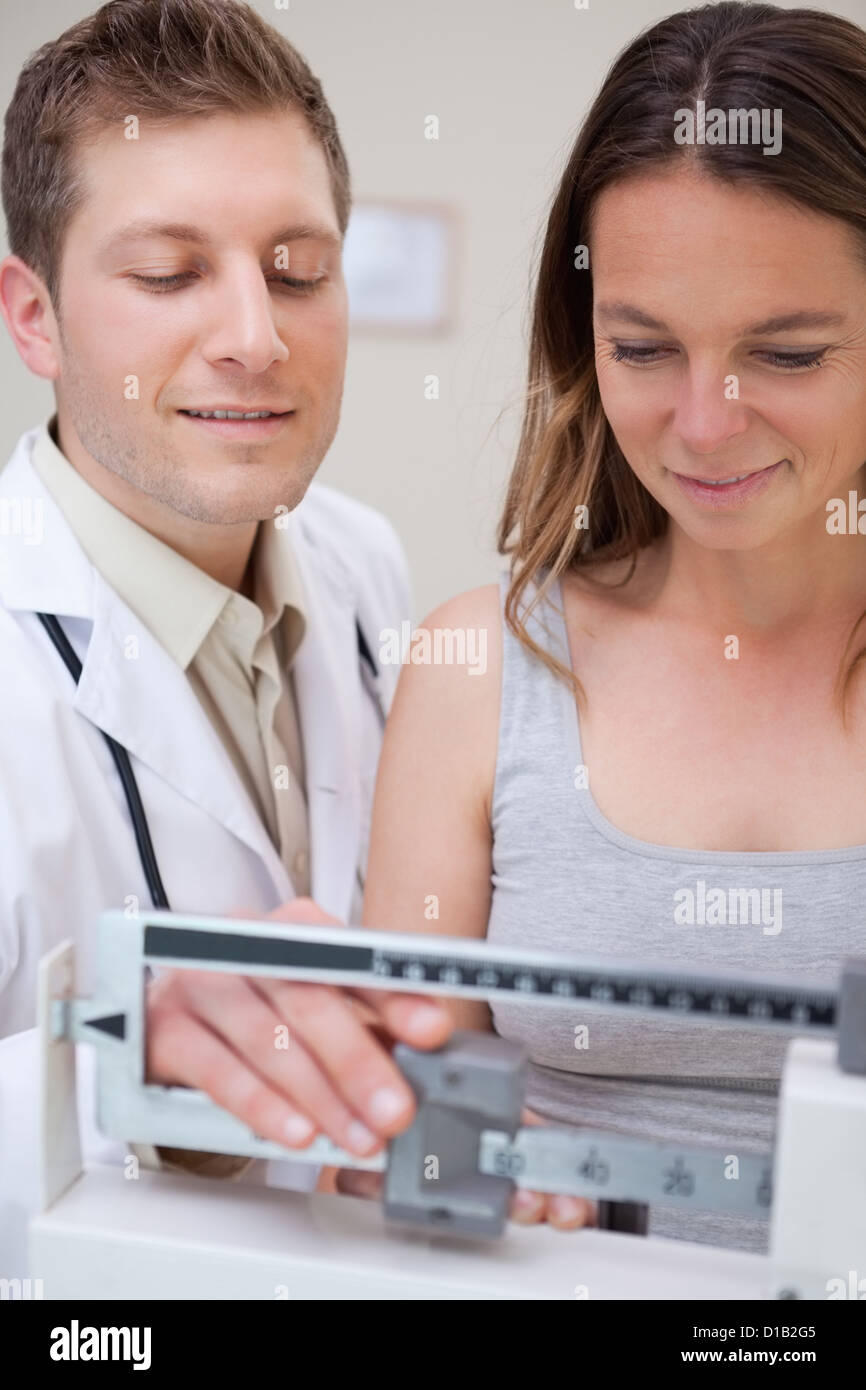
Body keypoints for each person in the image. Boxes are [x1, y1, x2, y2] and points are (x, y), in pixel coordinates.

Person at [333, 1, 866, 1253]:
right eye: (642, 347)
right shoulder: (479, 672)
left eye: (783, 354)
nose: (702, 423)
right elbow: (404, 1139)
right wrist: (442, 1173)